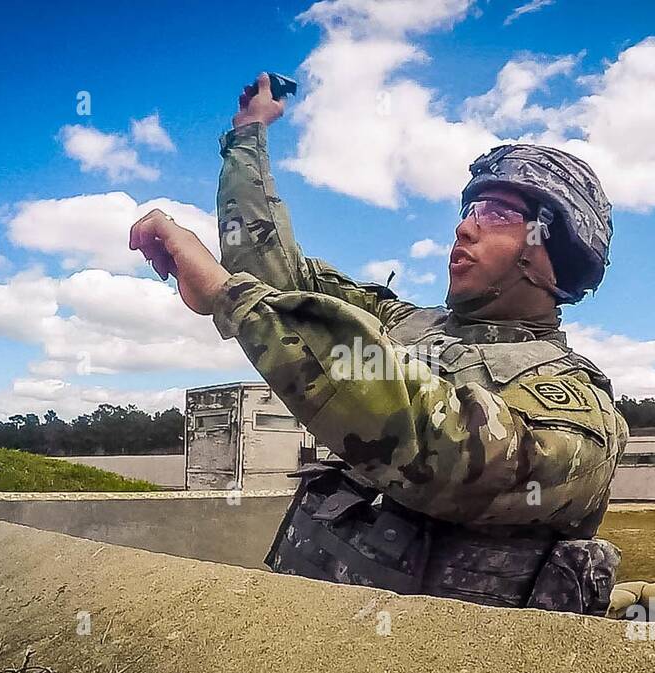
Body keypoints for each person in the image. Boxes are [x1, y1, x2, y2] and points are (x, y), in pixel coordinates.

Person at [130, 73, 629, 614]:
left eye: (498, 214)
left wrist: (233, 299)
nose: (464, 229)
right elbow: (273, 275)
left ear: (557, 252)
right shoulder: (406, 325)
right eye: (469, 212)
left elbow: (449, 454)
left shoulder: (575, 403)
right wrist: (249, 135)